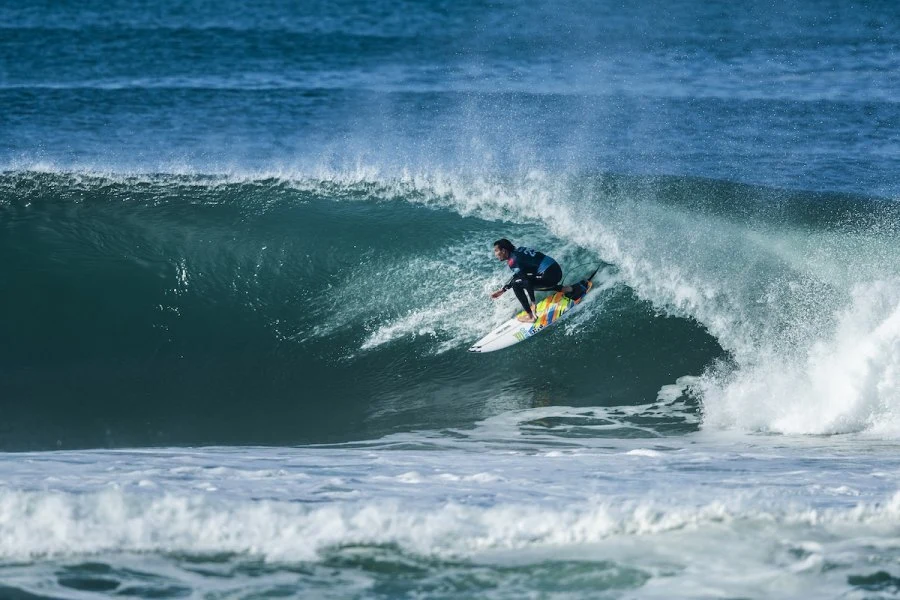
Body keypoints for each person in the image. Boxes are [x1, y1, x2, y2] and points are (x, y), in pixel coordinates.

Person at [490, 239, 575, 322]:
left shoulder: (513, 261)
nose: (495, 254)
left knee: (516, 284)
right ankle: (566, 289)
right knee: (518, 280)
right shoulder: (520, 250)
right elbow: (521, 274)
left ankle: (531, 316)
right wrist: (503, 290)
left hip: (550, 276)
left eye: (496, 251)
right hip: (556, 270)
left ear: (504, 250)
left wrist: (533, 302)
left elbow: (526, 281)